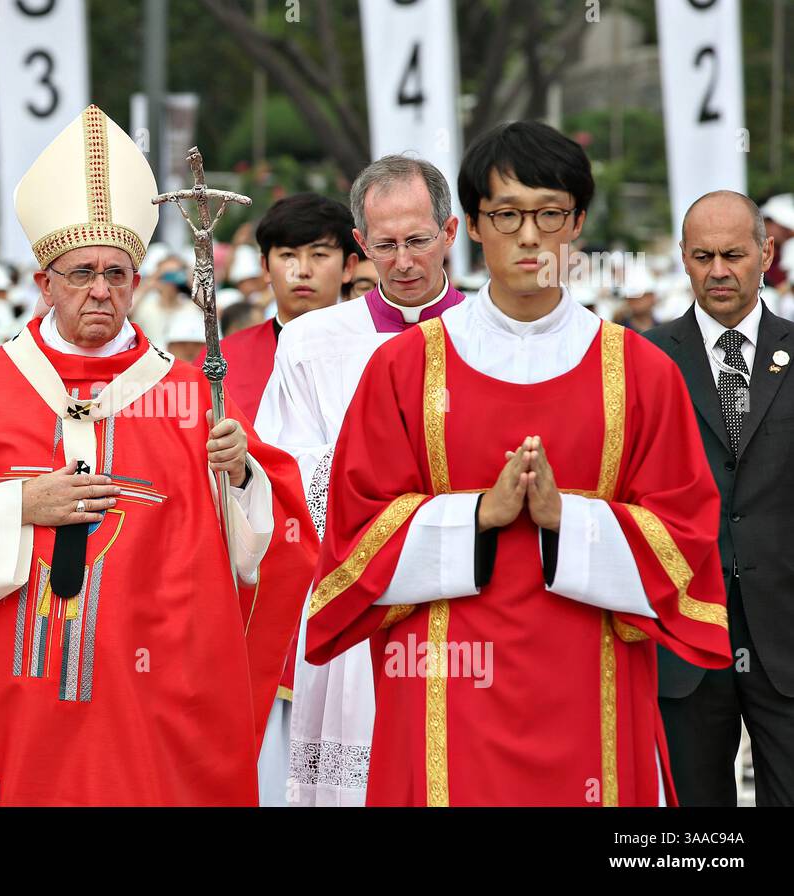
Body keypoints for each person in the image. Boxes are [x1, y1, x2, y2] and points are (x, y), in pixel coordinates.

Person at [0, 105, 315, 806]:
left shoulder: (191, 395)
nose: (102, 291)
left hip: (148, 706)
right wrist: (17, 504)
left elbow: (270, 548)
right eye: (81, 273)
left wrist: (240, 474)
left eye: (118, 272)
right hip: (5, 707)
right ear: (44, 282)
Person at [306, 121, 732, 806]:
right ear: (471, 225)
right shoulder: (406, 368)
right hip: (443, 688)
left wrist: (568, 520)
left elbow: (687, 539)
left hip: (590, 685)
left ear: (578, 223)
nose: (529, 237)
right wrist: (480, 513)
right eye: (506, 214)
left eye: (549, 214)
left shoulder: (641, 373)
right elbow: (353, 535)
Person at [255, 156, 466, 807]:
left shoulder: (492, 333)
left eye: (418, 241)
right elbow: (283, 471)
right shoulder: (311, 342)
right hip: (358, 596)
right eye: (385, 245)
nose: (403, 261)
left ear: (451, 233)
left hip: (471, 594)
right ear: (361, 245)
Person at [645, 190, 794, 806]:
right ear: (682, 257)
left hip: (785, 633)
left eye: (733, 254)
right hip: (684, 637)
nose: (719, 271)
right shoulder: (643, 359)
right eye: (702, 256)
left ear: (765, 251)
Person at [195, 193, 359, 423]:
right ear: (265, 267)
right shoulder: (220, 362)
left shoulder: (373, 352)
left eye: (319, 254)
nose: (302, 270)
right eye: (288, 255)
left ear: (348, 267)